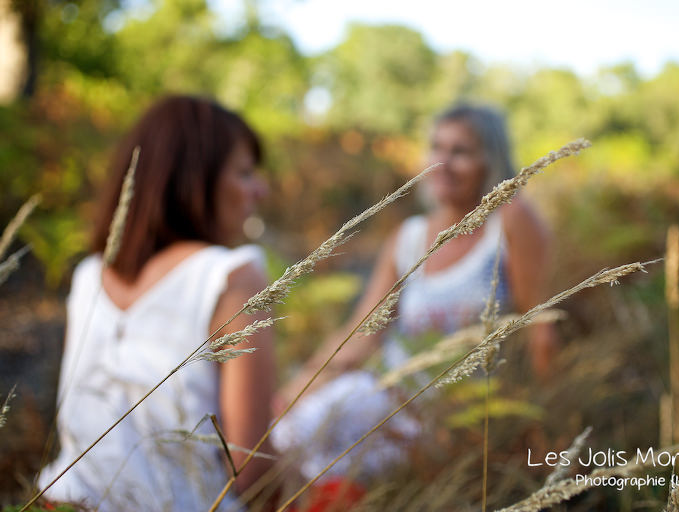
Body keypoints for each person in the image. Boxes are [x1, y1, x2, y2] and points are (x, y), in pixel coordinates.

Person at [272, 104, 557, 478]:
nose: (444, 162)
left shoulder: (510, 221)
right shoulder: (408, 238)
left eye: (461, 152)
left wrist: (542, 428)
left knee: (334, 471)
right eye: (437, 148)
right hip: (386, 400)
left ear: (491, 159)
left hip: (462, 418)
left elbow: (542, 329)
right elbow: (362, 333)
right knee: (286, 440)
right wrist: (296, 389)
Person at [38, 95, 276, 511]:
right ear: (193, 180)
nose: (261, 188)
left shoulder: (89, 275)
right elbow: (251, 470)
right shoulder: (232, 276)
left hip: (64, 503)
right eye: (244, 172)